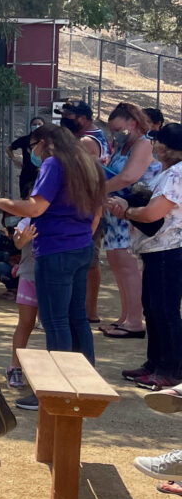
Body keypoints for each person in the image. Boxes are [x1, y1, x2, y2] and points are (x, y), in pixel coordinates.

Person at [0, 123, 105, 410]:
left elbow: (35, 208)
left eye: (33, 147)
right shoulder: (88, 165)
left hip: (56, 251)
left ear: (44, 142)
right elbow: (97, 211)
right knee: (77, 317)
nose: (33, 153)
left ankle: (55, 391)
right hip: (81, 248)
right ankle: (85, 381)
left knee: (55, 322)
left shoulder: (54, 164)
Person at [106, 122, 182, 391]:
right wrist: (128, 204)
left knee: (165, 310)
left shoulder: (177, 175)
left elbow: (152, 213)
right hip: (155, 249)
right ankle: (155, 363)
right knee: (153, 308)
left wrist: (126, 212)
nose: (154, 146)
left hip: (168, 251)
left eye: (158, 141)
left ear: (169, 147)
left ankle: (171, 370)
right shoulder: (167, 172)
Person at [100, 102, 162, 339]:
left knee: (128, 266)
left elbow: (129, 177)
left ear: (132, 123)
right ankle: (125, 316)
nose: (115, 133)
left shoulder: (144, 143)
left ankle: (135, 320)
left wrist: (98, 189)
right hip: (115, 212)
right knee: (117, 264)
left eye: (118, 128)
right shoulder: (124, 145)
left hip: (132, 212)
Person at [58, 100, 110, 324]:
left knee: (90, 259)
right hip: (89, 205)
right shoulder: (97, 136)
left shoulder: (87, 141)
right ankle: (86, 310)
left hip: (89, 207)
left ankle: (90, 310)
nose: (68, 119)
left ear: (84, 118)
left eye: (72, 115)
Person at [5, 218, 39, 390]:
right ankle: (15, 367)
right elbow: (18, 244)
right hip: (29, 278)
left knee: (54, 325)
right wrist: (23, 238)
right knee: (26, 323)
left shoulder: (62, 215)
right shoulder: (27, 221)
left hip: (55, 280)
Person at [8, 116, 46, 199]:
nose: (37, 126)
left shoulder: (49, 140)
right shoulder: (25, 140)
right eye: (34, 124)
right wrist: (14, 159)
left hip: (43, 174)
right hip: (27, 174)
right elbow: (9, 148)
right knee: (27, 198)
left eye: (39, 124)